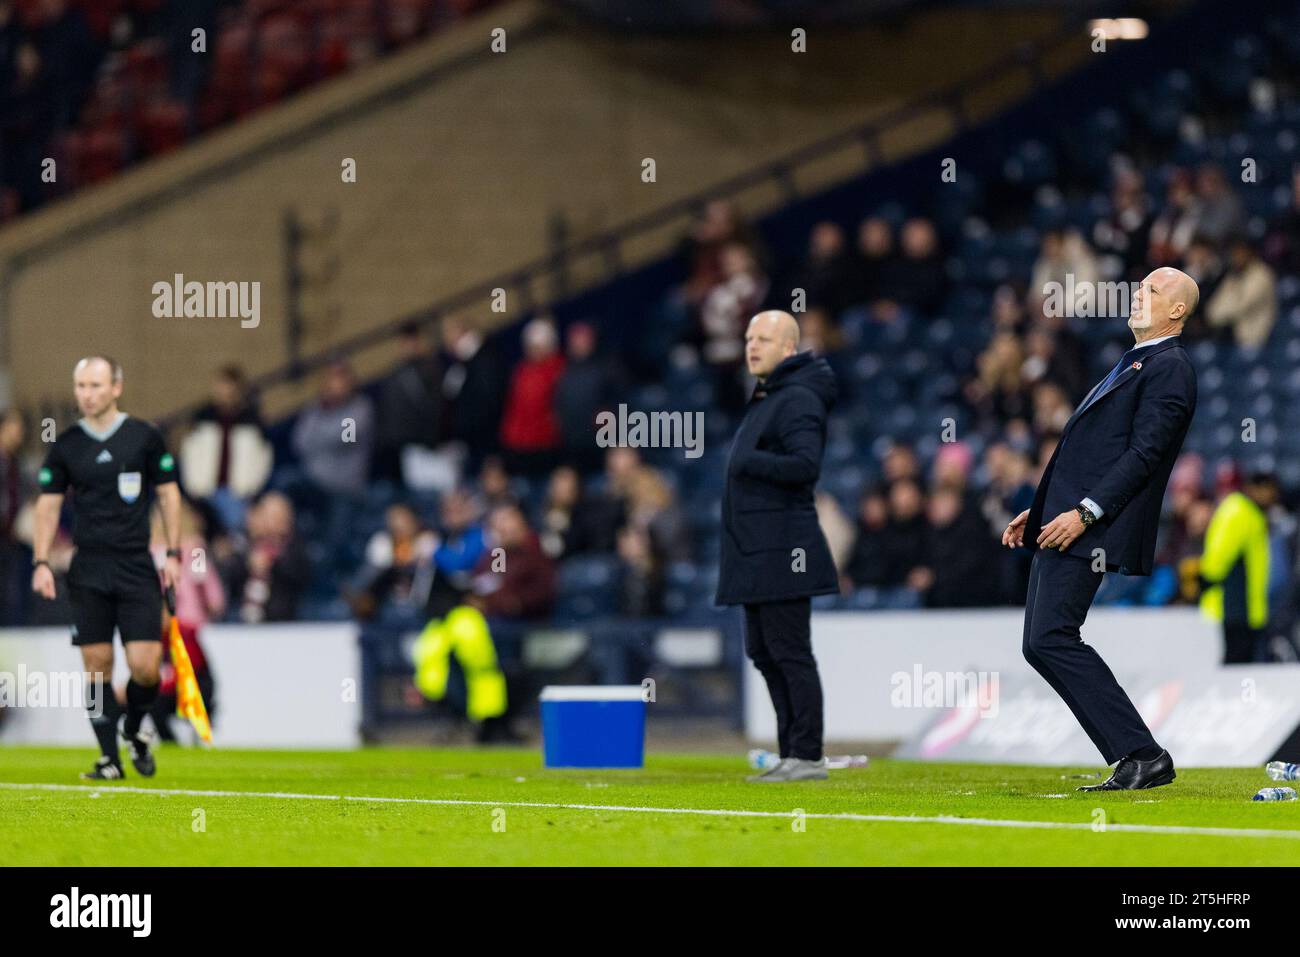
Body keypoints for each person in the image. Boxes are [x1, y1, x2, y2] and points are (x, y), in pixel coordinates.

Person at [1003, 267, 1199, 791]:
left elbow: (1144, 453)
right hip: (1065, 520)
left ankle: (1142, 754)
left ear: (1177, 310)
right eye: (1139, 288)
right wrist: (1045, 507)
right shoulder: (1136, 359)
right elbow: (1087, 449)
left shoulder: (1170, 367)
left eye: (1152, 291)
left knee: (1051, 637)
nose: (1139, 296)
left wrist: (1086, 511)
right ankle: (1135, 754)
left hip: (1089, 526)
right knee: (1042, 641)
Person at [30, 356, 183, 780]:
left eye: (95, 385)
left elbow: (169, 494)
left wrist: (172, 553)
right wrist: (41, 560)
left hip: (135, 564)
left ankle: (134, 729)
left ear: (116, 387)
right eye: (80, 386)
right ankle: (108, 758)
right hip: (89, 568)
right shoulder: (67, 445)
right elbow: (47, 505)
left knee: (146, 667)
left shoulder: (144, 437)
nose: (87, 394)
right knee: (97, 663)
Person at [716, 310, 838, 783]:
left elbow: (806, 465)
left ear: (789, 348)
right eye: (748, 337)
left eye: (763, 338)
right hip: (756, 550)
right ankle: (792, 752)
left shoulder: (799, 397)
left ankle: (807, 755)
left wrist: (749, 460)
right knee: (764, 652)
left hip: (785, 549)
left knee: (789, 651)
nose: (751, 345)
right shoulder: (771, 394)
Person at [1199, 472, 1276, 663]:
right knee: (1235, 669)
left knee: (1242, 667)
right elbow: (1217, 557)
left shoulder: (1249, 512)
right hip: (1233, 609)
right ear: (1254, 487)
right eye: (1268, 489)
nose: (1272, 496)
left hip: (1246, 610)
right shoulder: (1239, 511)